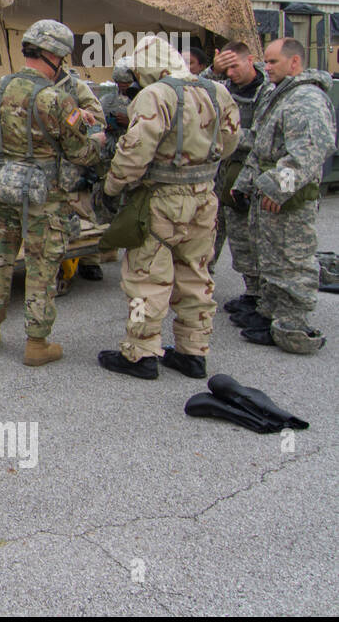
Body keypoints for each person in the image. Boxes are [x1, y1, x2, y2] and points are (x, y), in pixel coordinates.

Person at [97, 35, 239, 379]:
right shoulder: (216, 91)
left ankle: (140, 353)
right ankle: (193, 353)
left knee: (148, 277)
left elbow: (134, 153)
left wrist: (111, 187)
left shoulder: (155, 95)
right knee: (195, 273)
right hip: (204, 197)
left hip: (161, 200)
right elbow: (232, 139)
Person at [0, 20, 107, 366]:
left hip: (3, 185)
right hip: (44, 195)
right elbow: (81, 153)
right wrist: (96, 142)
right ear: (54, 55)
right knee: (41, 265)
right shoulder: (54, 99)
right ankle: (36, 344)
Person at [230, 37, 337, 355]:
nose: (267, 66)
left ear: (295, 63)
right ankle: (271, 315)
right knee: (270, 260)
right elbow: (262, 146)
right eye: (266, 61)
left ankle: (292, 326)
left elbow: (309, 151)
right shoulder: (280, 95)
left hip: (289, 201)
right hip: (270, 193)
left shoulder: (306, 99)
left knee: (292, 263)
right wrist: (245, 183)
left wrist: (280, 187)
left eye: (274, 61)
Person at [206, 43, 268, 306]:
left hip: (245, 173)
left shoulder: (267, 92)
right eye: (226, 68)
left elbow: (264, 136)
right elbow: (192, 90)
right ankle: (201, 283)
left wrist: (227, 137)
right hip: (218, 172)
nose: (230, 73)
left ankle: (254, 293)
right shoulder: (223, 87)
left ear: (250, 60)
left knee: (244, 237)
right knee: (208, 233)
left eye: (235, 66)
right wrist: (213, 70)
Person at [54, 65, 108, 281]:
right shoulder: (35, 85)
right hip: (47, 158)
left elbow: (97, 119)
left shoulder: (76, 86)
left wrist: (73, 116)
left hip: (74, 158)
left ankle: (90, 260)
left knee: (82, 209)